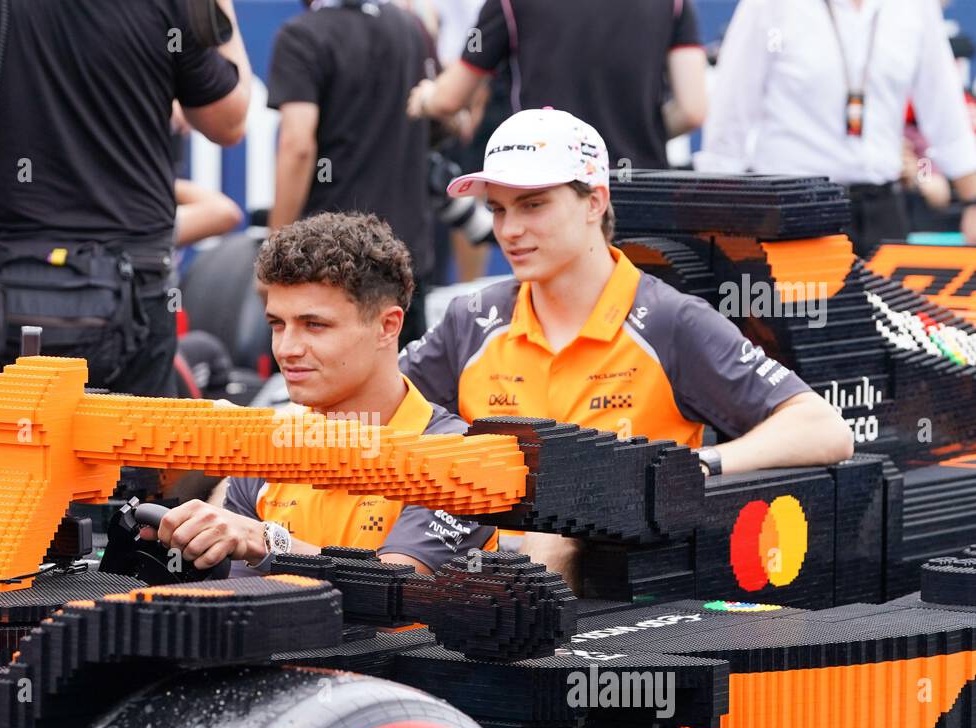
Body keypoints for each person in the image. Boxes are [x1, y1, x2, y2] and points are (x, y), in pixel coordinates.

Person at [400, 108, 854, 585]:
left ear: (594, 202)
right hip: (468, 582)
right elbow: (379, 409)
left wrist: (689, 467)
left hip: (629, 600)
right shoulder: (472, 319)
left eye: (533, 205)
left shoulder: (668, 320)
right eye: (498, 209)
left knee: (552, 529)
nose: (509, 230)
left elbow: (824, 429)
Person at [0, 0, 252, 512]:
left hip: (13, 303)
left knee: (3, 515)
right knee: (133, 520)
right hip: (135, 296)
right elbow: (229, 119)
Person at [149, 213, 496, 575]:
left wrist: (268, 540)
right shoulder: (268, 446)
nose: (286, 348)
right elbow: (231, 593)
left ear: (387, 326)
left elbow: (395, 589)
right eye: (277, 324)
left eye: (314, 325)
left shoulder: (460, 457)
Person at [698, 0, 976, 255]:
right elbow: (730, 117)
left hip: (883, 212)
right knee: (799, 310)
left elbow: (946, 115)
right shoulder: (771, 6)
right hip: (795, 212)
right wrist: (712, 219)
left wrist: (972, 201)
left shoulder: (913, 8)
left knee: (894, 310)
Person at [267, 0, 436, 345]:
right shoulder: (410, 29)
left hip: (328, 268)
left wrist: (275, 249)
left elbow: (297, 145)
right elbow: (445, 117)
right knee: (402, 390)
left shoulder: (301, 35)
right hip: (404, 261)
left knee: (321, 397)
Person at [408, 0, 708, 171]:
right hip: (639, 184)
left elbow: (450, 97)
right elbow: (693, 109)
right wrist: (637, 133)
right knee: (639, 283)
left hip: (549, 182)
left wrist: (425, 98)